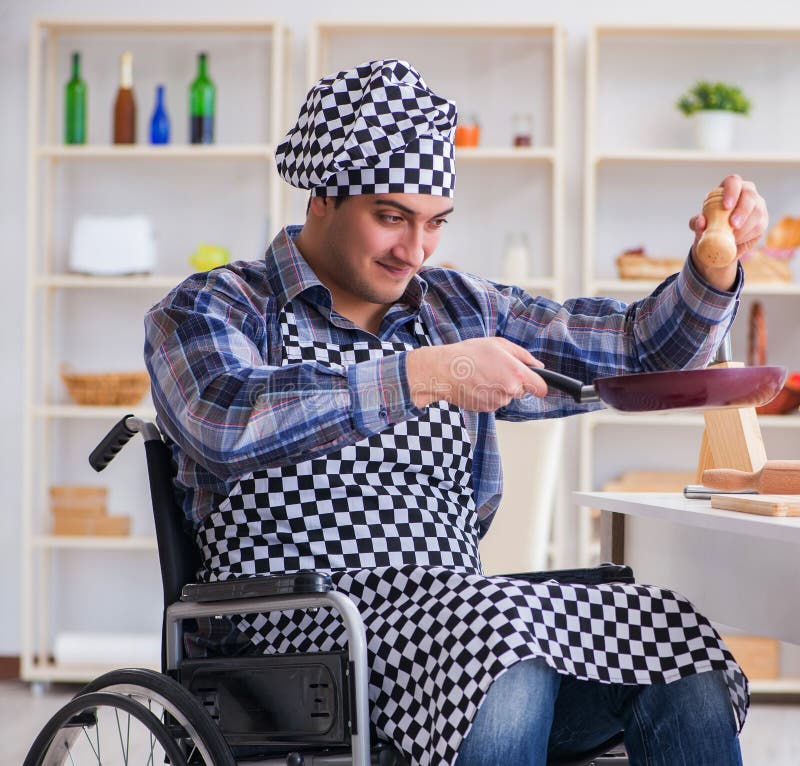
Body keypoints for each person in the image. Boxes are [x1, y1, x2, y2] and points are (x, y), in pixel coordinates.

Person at [145, 59, 765, 766]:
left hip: (450, 624)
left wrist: (713, 271)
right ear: (320, 198)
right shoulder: (213, 307)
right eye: (390, 218)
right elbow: (224, 418)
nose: (415, 250)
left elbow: (635, 352)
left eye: (434, 222)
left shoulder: (457, 308)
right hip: (291, 646)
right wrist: (421, 374)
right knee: (499, 637)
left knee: (667, 635)